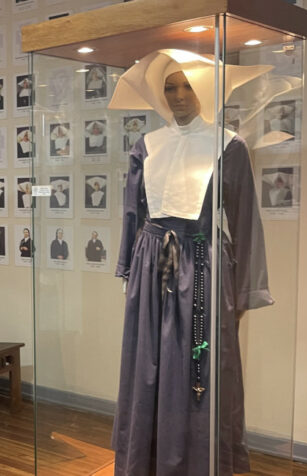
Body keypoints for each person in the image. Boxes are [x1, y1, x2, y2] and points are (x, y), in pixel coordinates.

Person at [109, 49, 274, 475]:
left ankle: (198, 463)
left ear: (202, 90)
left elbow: (244, 220)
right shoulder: (145, 145)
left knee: (199, 363)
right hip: (152, 266)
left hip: (201, 261)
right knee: (149, 362)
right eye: (169, 87)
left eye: (187, 86)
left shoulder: (228, 144)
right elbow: (133, 213)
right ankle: (146, 462)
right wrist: (129, 270)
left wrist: (242, 293)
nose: (179, 96)